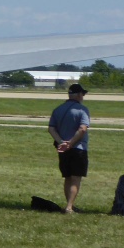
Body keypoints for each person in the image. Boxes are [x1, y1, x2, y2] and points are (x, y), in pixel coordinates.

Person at [48, 83, 90, 214]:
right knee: (76, 178)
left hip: (63, 150)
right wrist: (70, 143)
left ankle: (68, 204)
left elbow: (51, 128)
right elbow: (82, 129)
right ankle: (69, 207)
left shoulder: (58, 109)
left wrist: (61, 142)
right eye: (82, 94)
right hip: (78, 148)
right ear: (78, 95)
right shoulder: (82, 110)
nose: (83, 96)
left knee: (67, 177)